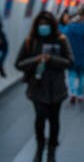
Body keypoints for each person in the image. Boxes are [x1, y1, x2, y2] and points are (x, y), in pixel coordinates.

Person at [15, 11, 74, 162]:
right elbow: (19, 64)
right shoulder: (30, 41)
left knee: (54, 119)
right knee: (40, 118)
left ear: (52, 25)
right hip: (37, 87)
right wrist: (36, 60)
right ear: (36, 26)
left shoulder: (61, 40)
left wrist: (51, 59)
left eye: (46, 25)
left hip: (57, 88)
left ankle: (52, 149)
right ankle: (40, 145)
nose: (43, 28)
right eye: (41, 25)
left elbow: (69, 61)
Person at [60, 12, 84, 103]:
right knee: (82, 75)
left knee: (71, 75)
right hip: (83, 54)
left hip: (70, 55)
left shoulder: (65, 29)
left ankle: (73, 93)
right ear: (80, 20)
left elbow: (61, 43)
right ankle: (80, 95)